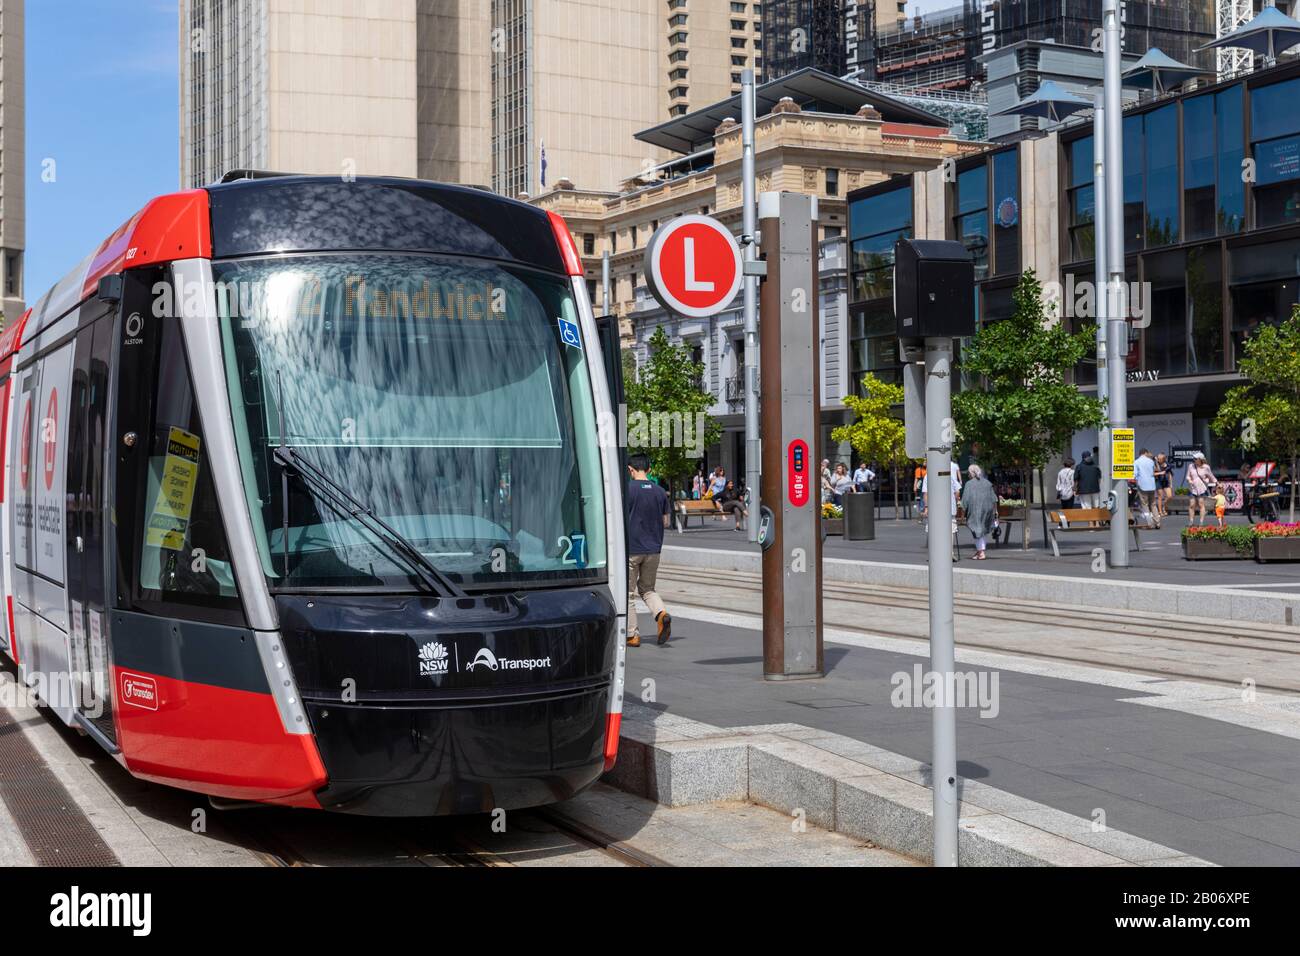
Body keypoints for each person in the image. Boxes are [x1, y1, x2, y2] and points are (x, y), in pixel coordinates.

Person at [625, 452, 672, 647]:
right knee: (648, 589)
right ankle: (661, 614)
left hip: (632, 549)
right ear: (649, 469)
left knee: (628, 593)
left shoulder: (627, 490)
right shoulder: (660, 492)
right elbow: (666, 522)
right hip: (654, 549)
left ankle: (632, 635)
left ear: (630, 469)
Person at [961, 464, 997, 560]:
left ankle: (981, 553)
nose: (968, 475)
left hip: (975, 510)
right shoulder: (987, 483)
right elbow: (994, 499)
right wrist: (995, 512)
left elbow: (965, 500)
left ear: (971, 473)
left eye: (968, 473)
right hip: (987, 510)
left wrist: (962, 513)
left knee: (977, 530)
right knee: (982, 530)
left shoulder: (969, 484)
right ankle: (979, 551)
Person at [1185, 451, 1217, 527]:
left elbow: (1211, 476)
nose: (1194, 460)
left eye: (1196, 458)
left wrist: (1217, 483)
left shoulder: (1206, 467)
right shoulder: (1191, 466)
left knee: (1201, 504)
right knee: (1192, 505)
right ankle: (1191, 521)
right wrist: (1189, 480)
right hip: (1193, 488)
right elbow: (1188, 476)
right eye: (1194, 458)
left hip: (1201, 488)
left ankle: (1201, 522)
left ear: (1200, 459)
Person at [1133, 448, 1160, 528]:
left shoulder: (1136, 462)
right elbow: (1154, 471)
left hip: (1142, 486)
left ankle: (1150, 523)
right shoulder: (1151, 461)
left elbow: (1135, 474)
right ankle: (1157, 522)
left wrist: (1137, 482)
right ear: (1145, 453)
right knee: (1153, 504)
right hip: (1151, 485)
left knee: (1145, 505)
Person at [1154, 452, 1171, 518]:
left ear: (1163, 459)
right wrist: (1160, 473)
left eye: (1160, 459)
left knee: (1169, 496)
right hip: (1158, 481)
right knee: (1160, 496)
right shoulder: (1155, 464)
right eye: (1158, 458)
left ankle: (1164, 506)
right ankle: (1160, 511)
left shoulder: (1167, 464)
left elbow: (1169, 474)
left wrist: (1171, 483)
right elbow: (1152, 474)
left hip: (1166, 481)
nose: (1159, 460)